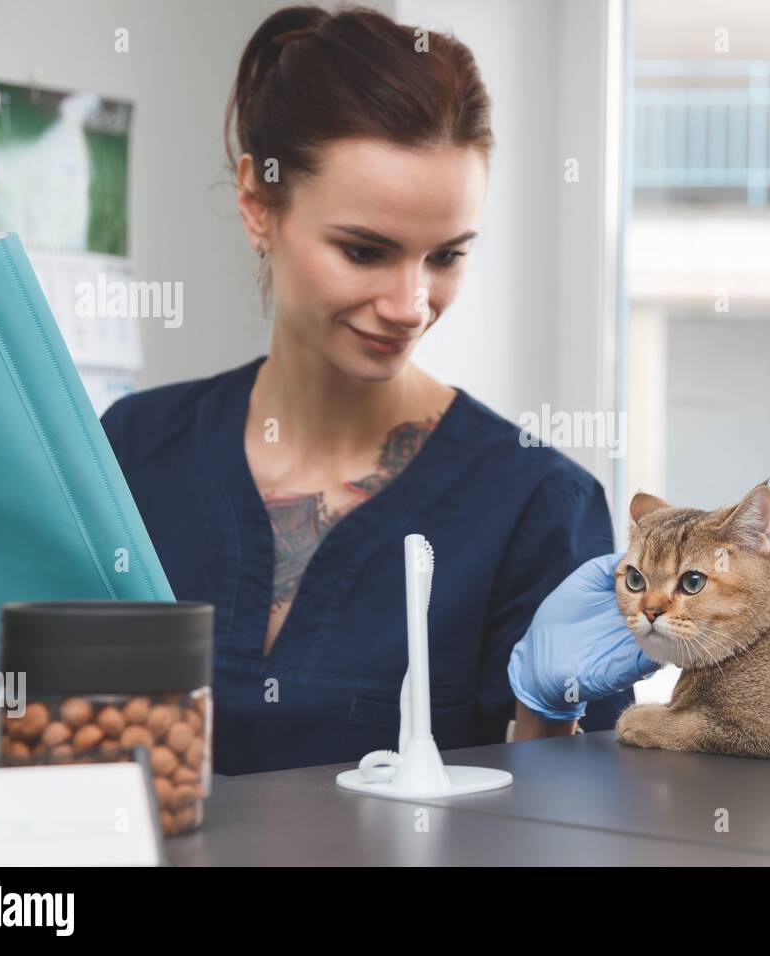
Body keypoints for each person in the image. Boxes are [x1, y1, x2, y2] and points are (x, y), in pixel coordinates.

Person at [96, 5, 654, 775]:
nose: (410, 304)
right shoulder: (131, 449)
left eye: (446, 256)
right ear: (259, 205)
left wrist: (544, 714)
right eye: (365, 250)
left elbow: (566, 831)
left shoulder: (536, 507)